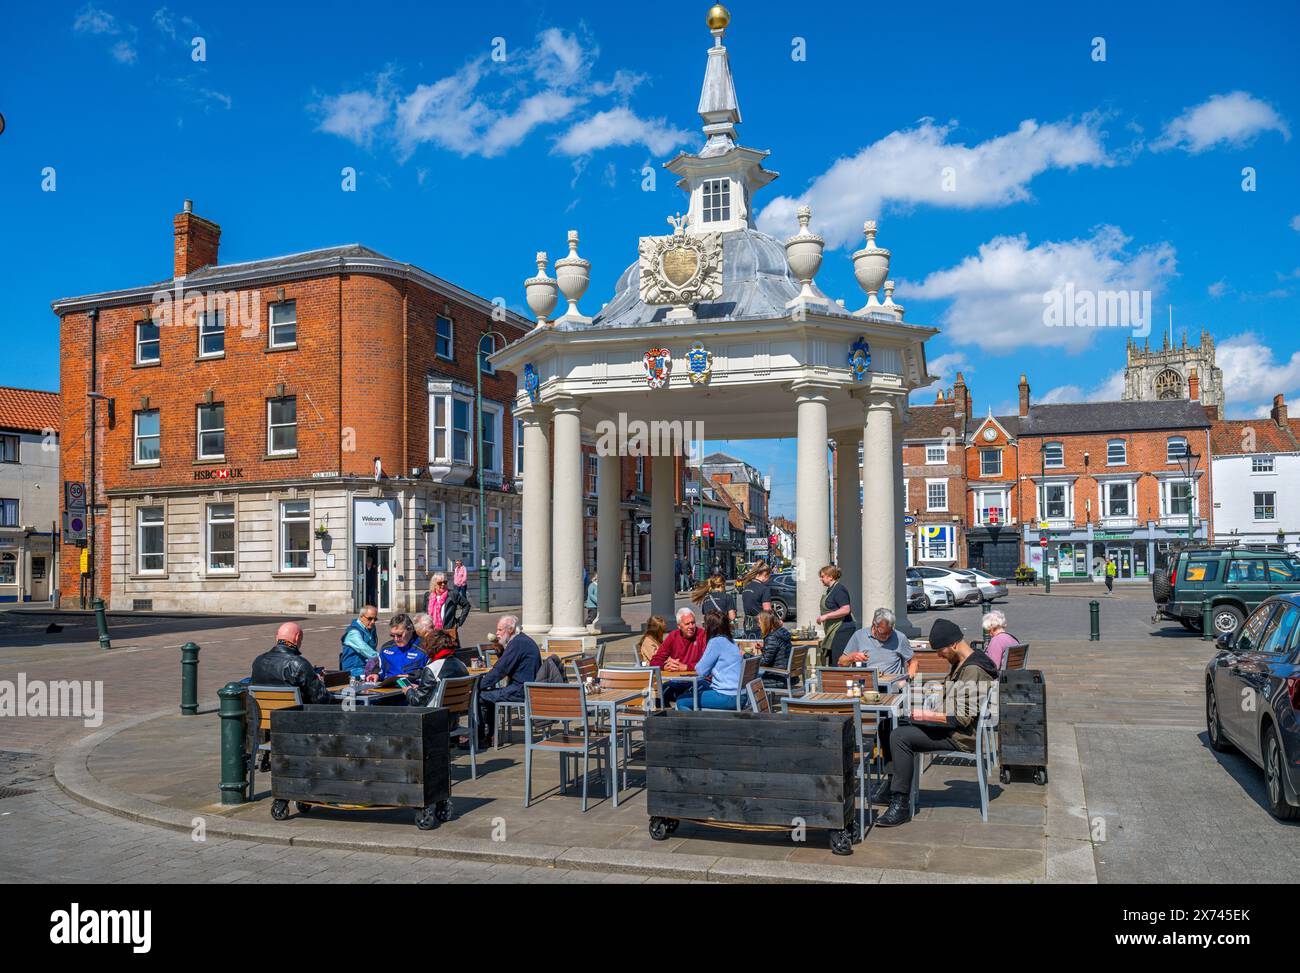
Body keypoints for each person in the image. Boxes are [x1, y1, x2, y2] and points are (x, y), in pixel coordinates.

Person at [874, 617, 999, 827]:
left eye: (940, 650)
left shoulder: (972, 670)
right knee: (887, 725)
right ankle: (892, 783)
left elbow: (961, 719)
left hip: (959, 736)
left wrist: (924, 716)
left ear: (953, 644)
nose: (939, 655)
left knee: (900, 736)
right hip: (950, 727)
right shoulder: (963, 662)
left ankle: (900, 803)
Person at [476, 615, 541, 747]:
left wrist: (477, 686)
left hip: (521, 690)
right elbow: (508, 666)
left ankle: (481, 737)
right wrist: (501, 652)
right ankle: (492, 735)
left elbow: (500, 670)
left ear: (510, 630)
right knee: (489, 694)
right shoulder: (521, 640)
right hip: (527, 688)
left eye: (500, 630)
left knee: (480, 696)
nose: (497, 633)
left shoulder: (517, 643)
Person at [251, 622, 334, 704]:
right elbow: (321, 699)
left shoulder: (258, 661)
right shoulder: (300, 664)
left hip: (264, 715)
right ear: (297, 638)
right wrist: (319, 682)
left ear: (277, 638)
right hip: (293, 716)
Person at [676, 610, 743, 710]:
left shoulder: (715, 642)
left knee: (682, 701)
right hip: (742, 695)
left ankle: (693, 725)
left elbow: (701, 670)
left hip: (728, 696)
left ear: (710, 627)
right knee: (699, 688)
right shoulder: (730, 641)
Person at [648, 606, 708, 704]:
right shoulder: (673, 636)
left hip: (698, 680)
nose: (691, 627)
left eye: (693, 623)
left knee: (687, 696)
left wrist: (686, 667)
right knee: (661, 693)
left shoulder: (702, 635)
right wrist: (665, 666)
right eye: (687, 624)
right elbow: (655, 661)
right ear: (679, 626)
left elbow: (707, 663)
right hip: (678, 680)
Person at [838, 607, 916, 677]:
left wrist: (906, 680)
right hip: (866, 686)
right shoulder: (859, 636)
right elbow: (841, 663)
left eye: (890, 632)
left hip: (892, 688)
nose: (887, 636)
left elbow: (914, 662)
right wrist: (852, 657)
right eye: (883, 633)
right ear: (874, 625)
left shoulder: (900, 638)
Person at [406, 629, 471, 708]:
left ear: (431, 647)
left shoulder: (433, 669)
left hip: (434, 713)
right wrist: (420, 688)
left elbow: (417, 702)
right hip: (456, 712)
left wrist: (409, 691)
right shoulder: (462, 665)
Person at [815, 565, 856, 667]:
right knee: (832, 659)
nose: (821, 579)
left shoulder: (839, 590)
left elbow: (846, 609)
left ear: (830, 577)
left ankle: (840, 681)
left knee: (838, 661)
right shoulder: (830, 590)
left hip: (842, 629)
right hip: (834, 630)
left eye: (823, 576)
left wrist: (826, 616)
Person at [369, 614, 429, 682]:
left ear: (411, 630)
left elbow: (432, 676)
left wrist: (413, 677)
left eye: (399, 635)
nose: (396, 639)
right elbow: (380, 670)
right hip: (388, 688)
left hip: (413, 689)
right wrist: (376, 675)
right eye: (392, 635)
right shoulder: (386, 648)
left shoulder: (425, 648)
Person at [427, 571, 471, 646]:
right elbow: (425, 614)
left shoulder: (453, 594)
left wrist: (459, 622)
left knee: (451, 654)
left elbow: (466, 605)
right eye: (440, 583)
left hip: (448, 631)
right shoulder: (428, 596)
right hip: (433, 632)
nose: (443, 584)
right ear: (434, 584)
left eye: (445, 582)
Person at [339, 605, 379, 678]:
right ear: (361, 617)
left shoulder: (371, 628)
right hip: (353, 670)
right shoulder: (353, 633)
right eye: (370, 619)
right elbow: (366, 651)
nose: (373, 622)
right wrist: (385, 658)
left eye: (375, 619)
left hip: (367, 666)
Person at [757, 610, 793, 688]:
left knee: (749, 680)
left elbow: (765, 662)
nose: (758, 625)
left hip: (778, 678)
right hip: (789, 676)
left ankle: (759, 700)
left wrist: (747, 656)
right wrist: (764, 649)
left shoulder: (772, 637)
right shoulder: (782, 633)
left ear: (766, 623)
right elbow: (778, 654)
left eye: (760, 623)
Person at [739, 561, 774, 638]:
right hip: (760, 623)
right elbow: (767, 610)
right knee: (760, 647)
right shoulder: (764, 589)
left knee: (750, 646)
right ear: (765, 575)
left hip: (748, 623)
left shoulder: (746, 587)